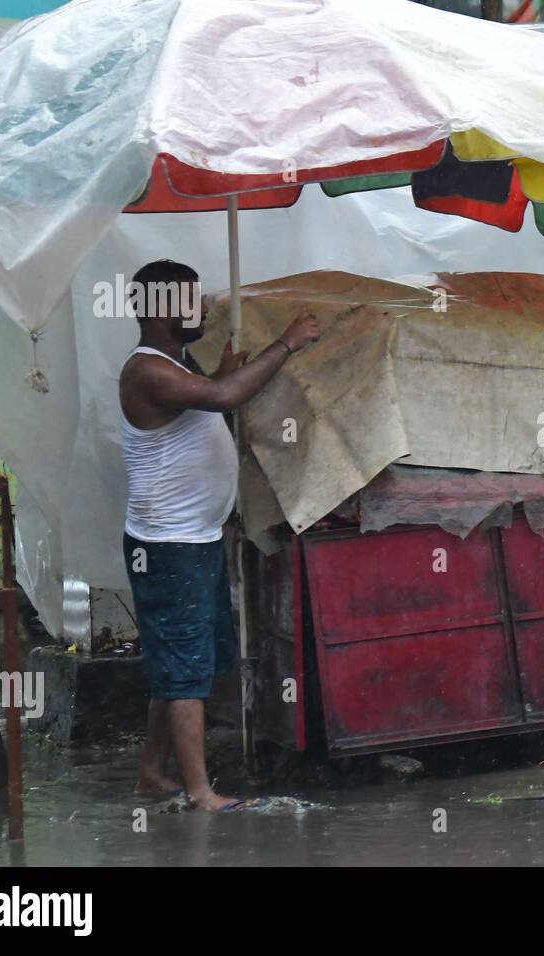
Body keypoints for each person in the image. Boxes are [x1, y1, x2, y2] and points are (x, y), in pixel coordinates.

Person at [120, 259, 319, 810]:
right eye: (192, 300)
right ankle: (200, 793)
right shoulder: (146, 370)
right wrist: (286, 344)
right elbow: (225, 399)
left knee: (184, 662)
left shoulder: (174, 362)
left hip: (193, 538)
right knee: (185, 668)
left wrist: (222, 374)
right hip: (168, 546)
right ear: (163, 309)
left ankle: (153, 775)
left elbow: (214, 393)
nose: (204, 308)